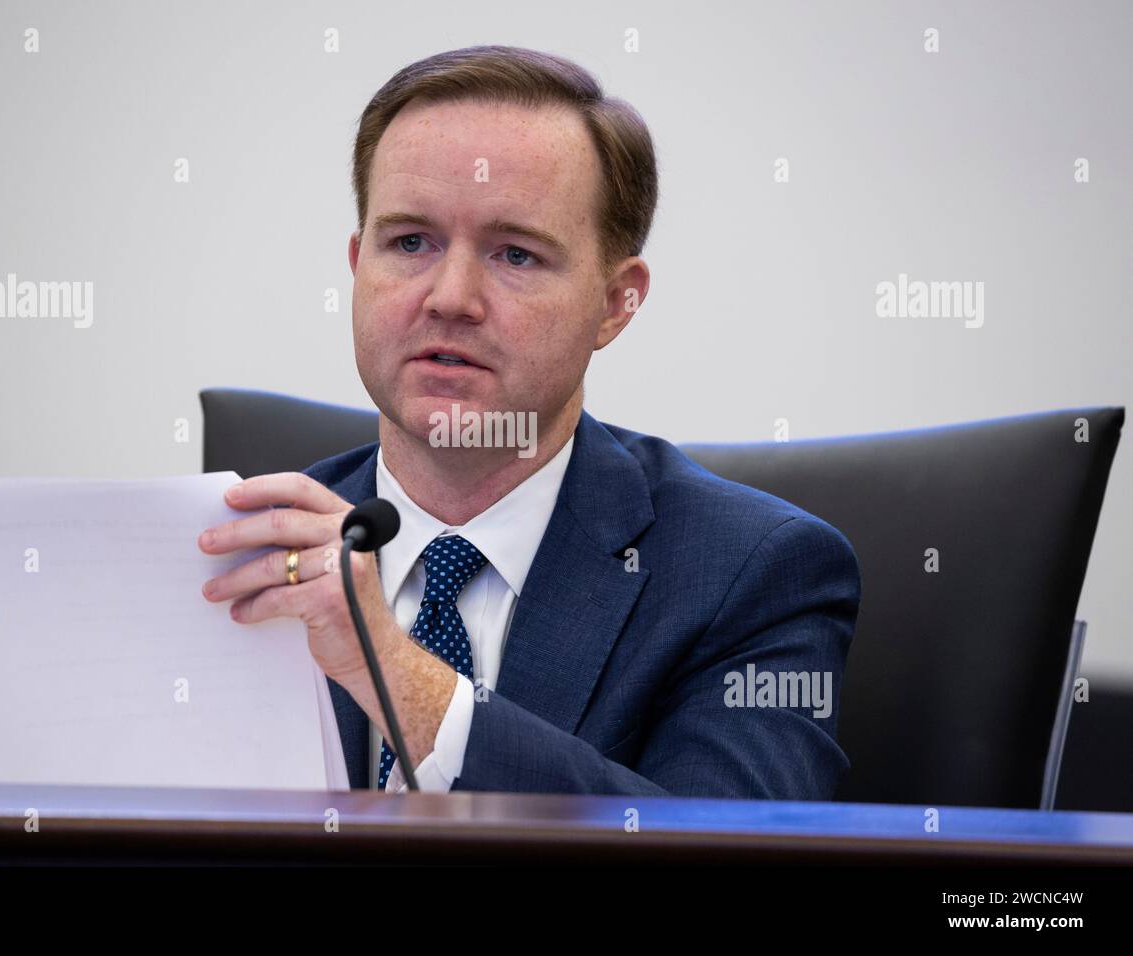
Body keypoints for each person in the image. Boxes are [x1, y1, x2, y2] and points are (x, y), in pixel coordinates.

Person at [197, 45, 861, 798]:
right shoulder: (243, 554)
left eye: (515, 254)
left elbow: (733, 862)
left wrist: (394, 670)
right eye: (409, 242)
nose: (449, 297)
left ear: (616, 303)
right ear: (358, 264)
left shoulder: (755, 575)